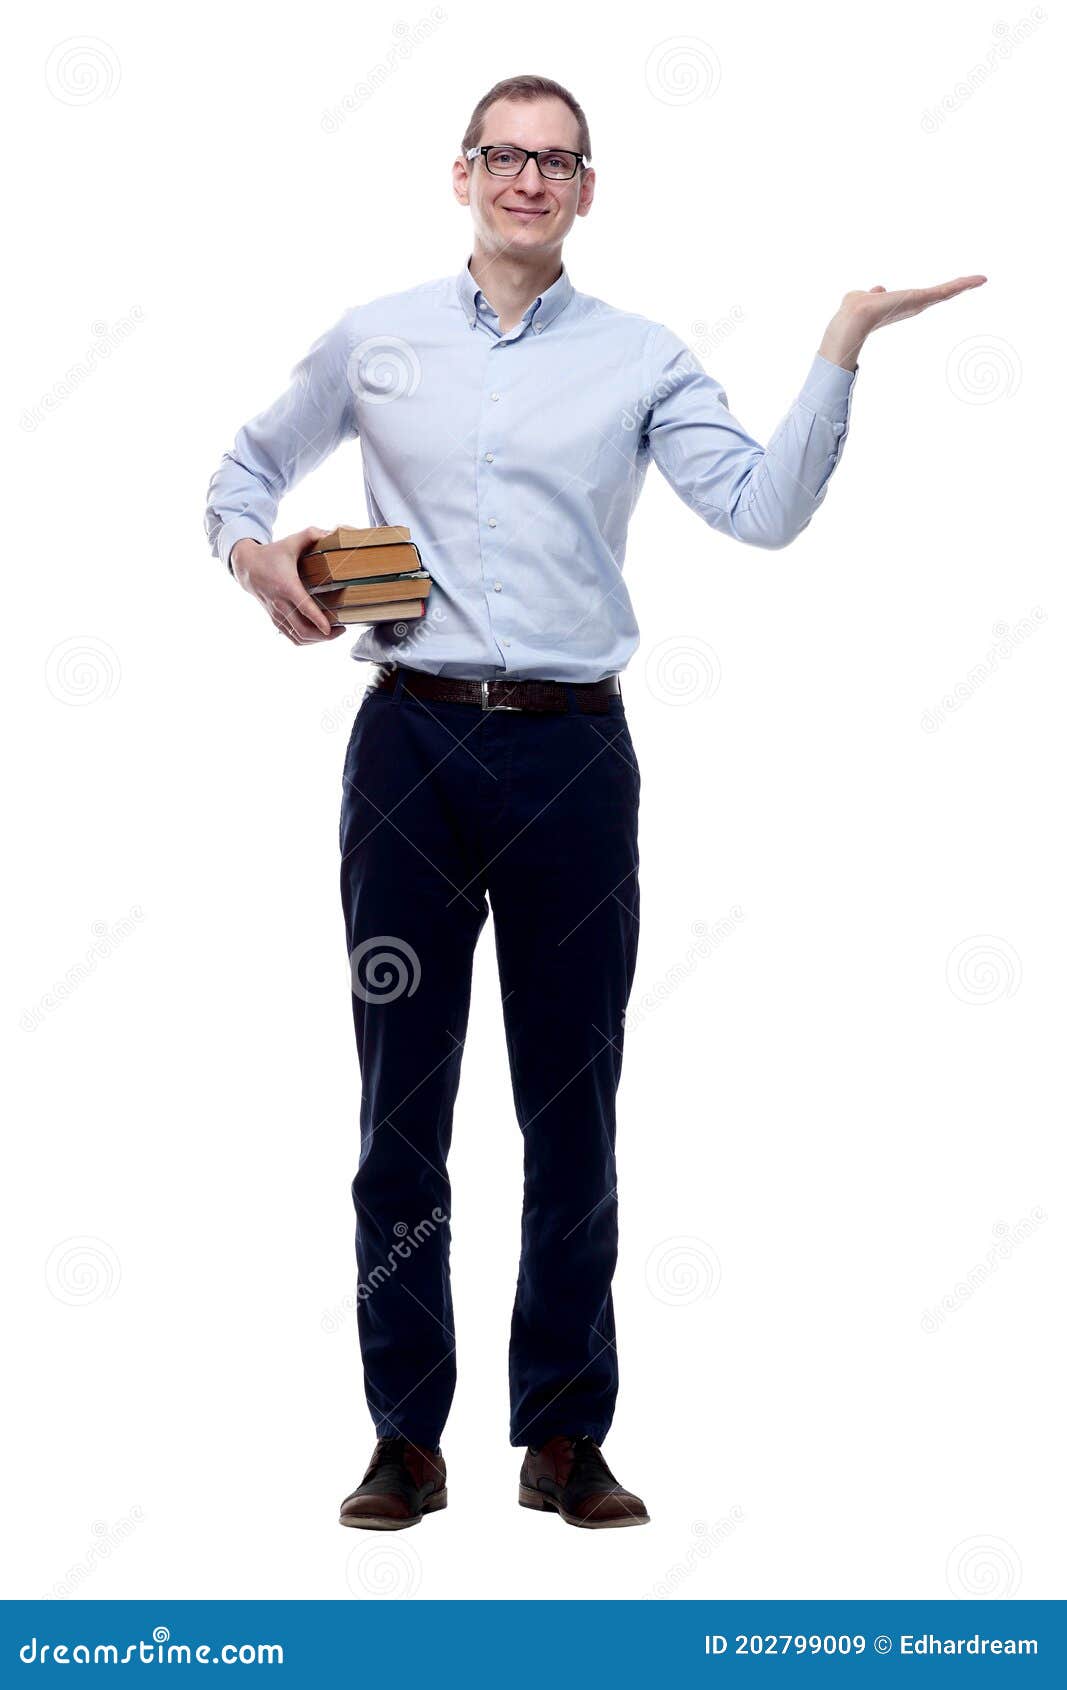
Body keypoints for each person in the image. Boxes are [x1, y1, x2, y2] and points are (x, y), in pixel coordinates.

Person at [204, 72, 985, 1532]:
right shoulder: (377, 340)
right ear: (462, 175)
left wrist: (841, 347)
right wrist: (259, 558)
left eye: (558, 161)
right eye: (505, 155)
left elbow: (760, 508)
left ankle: (564, 1428)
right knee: (402, 1111)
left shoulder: (638, 358)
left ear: (587, 190)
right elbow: (238, 475)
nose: (529, 178)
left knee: (574, 1107)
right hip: (409, 755)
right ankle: (403, 1437)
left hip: (572, 760)